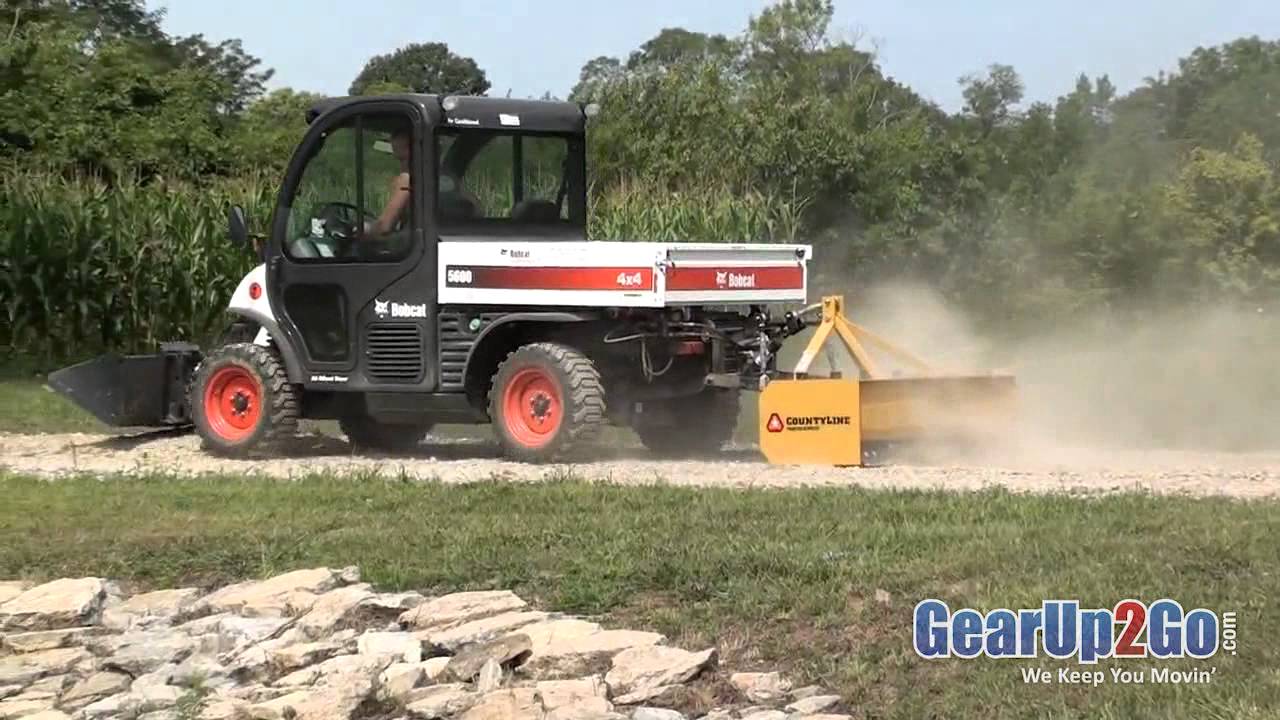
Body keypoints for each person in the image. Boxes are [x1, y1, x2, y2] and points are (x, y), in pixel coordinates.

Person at [364, 128, 412, 238]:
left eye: (403, 159)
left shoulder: (406, 179)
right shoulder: (434, 179)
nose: (402, 166)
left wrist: (364, 228)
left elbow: (384, 227)